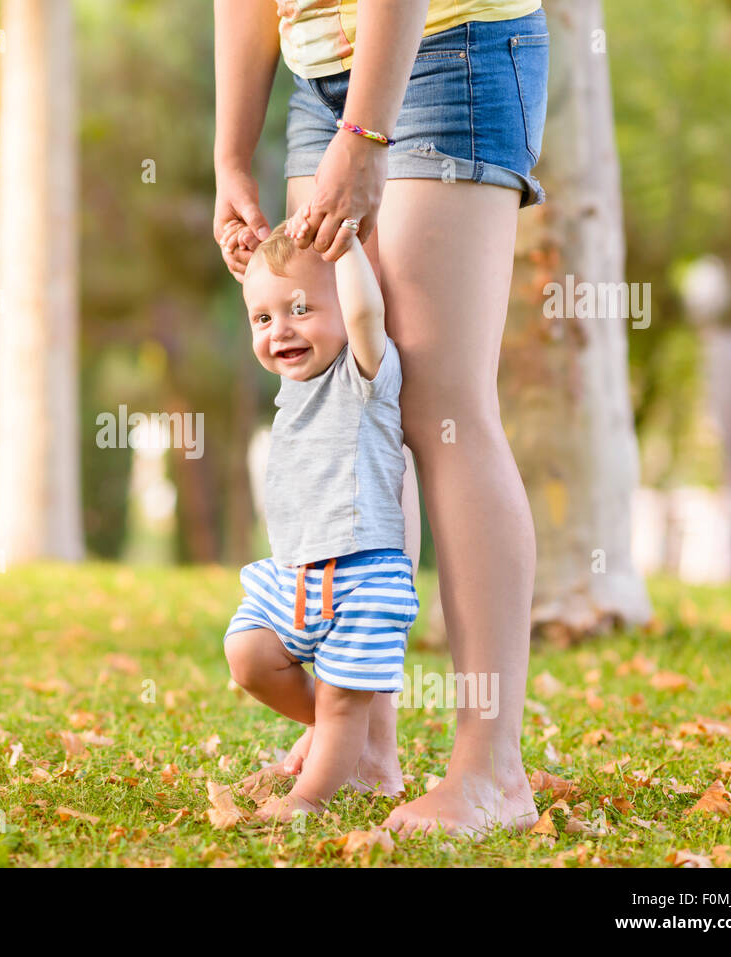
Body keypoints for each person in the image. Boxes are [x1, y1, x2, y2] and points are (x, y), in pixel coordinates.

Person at [214, 0, 549, 837]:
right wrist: (228, 156)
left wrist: (364, 134)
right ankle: (364, 750)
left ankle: (490, 770)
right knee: (350, 401)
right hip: (316, 71)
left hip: (448, 44)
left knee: (442, 404)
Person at [224, 208, 420, 822]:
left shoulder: (363, 374)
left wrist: (343, 253)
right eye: (262, 318)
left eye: (301, 310)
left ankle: (309, 795)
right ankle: (341, 729)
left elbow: (363, 313)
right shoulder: (292, 386)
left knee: (340, 707)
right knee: (248, 654)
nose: (280, 330)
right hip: (292, 576)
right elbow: (275, 294)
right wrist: (258, 262)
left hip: (362, 576)